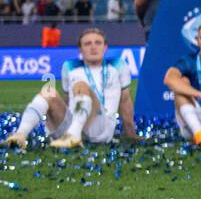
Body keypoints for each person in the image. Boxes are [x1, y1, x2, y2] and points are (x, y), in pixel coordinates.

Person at [5, 27, 137, 149]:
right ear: (80, 49)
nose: (93, 47)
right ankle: (20, 135)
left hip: (102, 129)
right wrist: (57, 118)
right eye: (87, 44)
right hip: (75, 124)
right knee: (48, 91)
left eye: (98, 43)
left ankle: (73, 135)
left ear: (105, 47)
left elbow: (125, 101)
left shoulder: (118, 65)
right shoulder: (69, 67)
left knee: (81, 85)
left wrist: (131, 134)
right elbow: (68, 101)